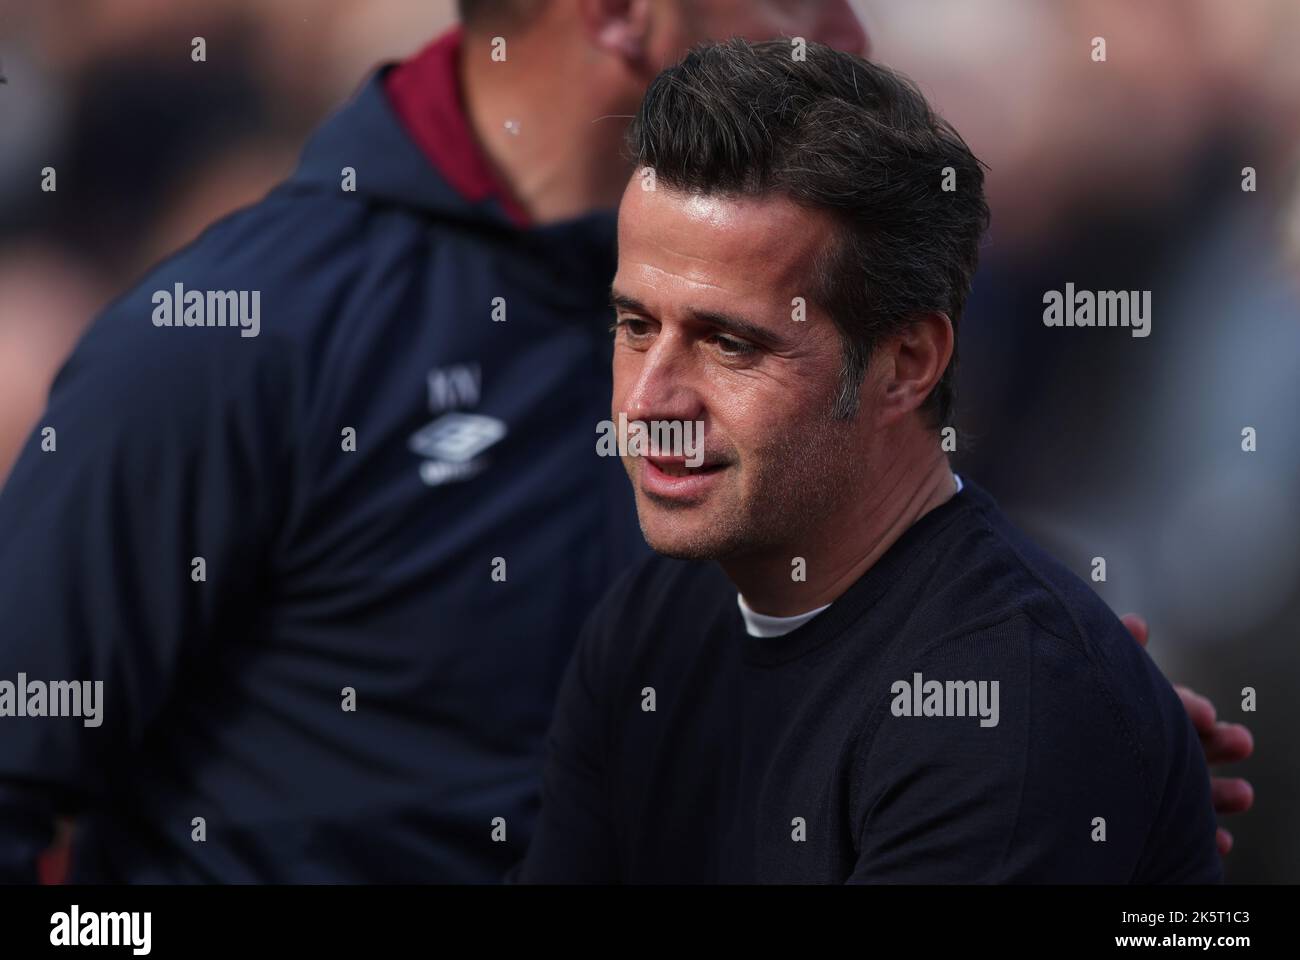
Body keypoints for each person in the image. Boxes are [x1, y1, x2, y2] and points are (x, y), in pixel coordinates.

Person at [0, 3, 1248, 883]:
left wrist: (1017, 741)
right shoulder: (230, 338)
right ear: (618, 15)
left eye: (726, 343)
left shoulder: (816, 289)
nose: (856, 34)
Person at [514, 38, 1225, 883]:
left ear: (907, 362)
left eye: (731, 344)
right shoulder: (648, 625)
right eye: (636, 326)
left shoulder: (1008, 704)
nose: (649, 402)